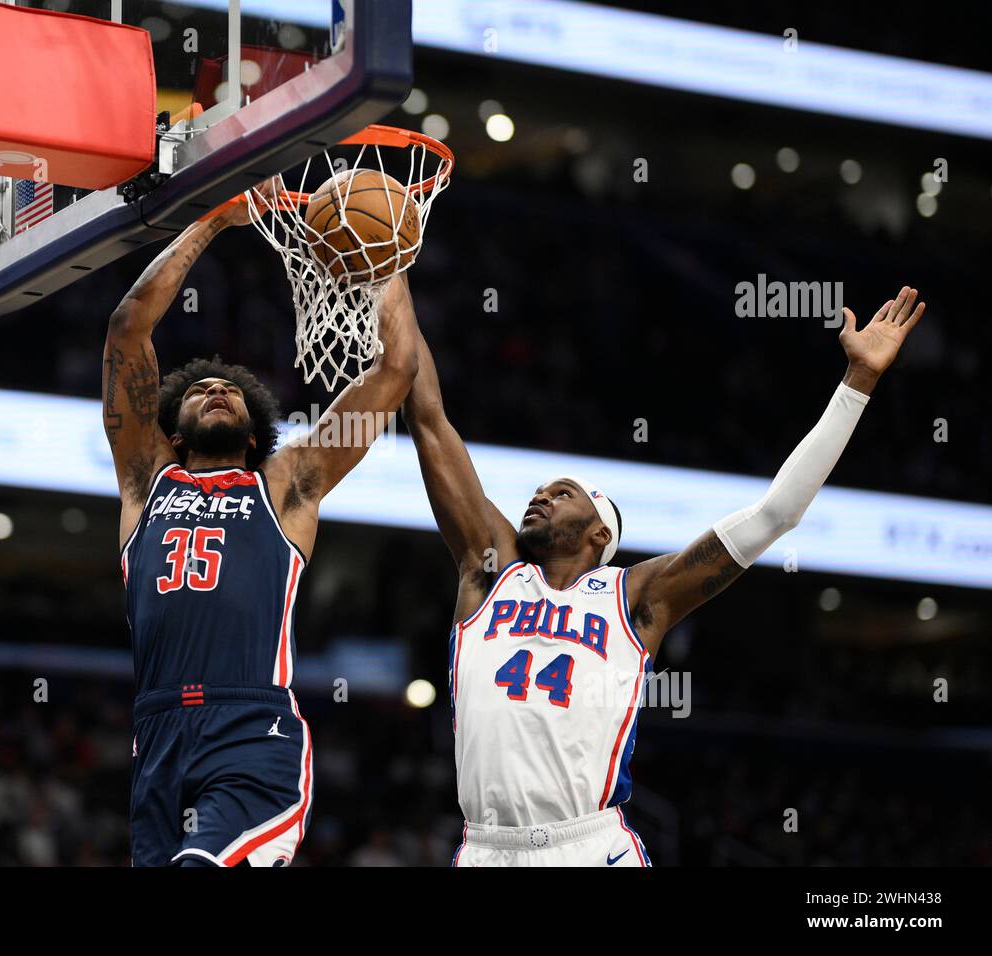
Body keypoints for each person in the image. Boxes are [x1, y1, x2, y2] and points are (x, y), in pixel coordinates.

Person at [400, 284, 927, 866]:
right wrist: (389, 274)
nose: (541, 496)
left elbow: (776, 514)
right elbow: (428, 419)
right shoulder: (488, 568)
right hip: (485, 849)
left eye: (563, 493)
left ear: (601, 535)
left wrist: (858, 383)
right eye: (539, 490)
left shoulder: (636, 597)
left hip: (588, 846)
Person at [103, 200, 419, 866]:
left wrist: (387, 254)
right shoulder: (144, 481)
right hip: (157, 734)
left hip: (252, 727)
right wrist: (214, 220)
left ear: (253, 433)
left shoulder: (285, 484)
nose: (217, 388)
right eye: (200, 389)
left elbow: (396, 370)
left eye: (232, 390)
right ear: (174, 431)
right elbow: (129, 328)